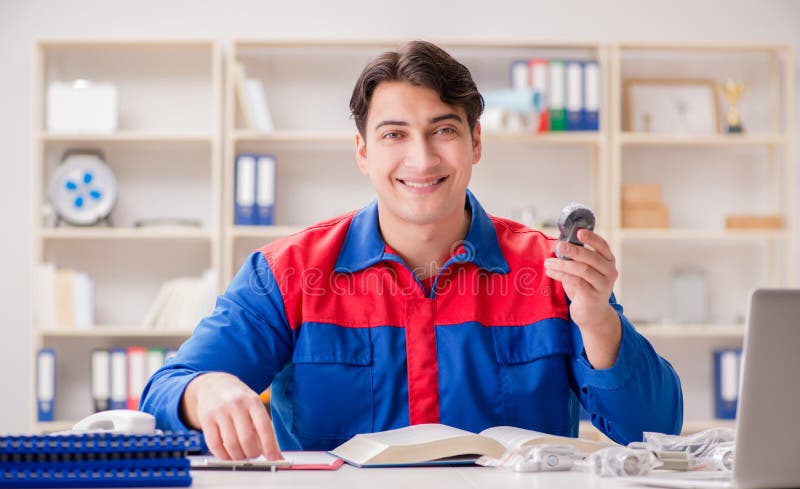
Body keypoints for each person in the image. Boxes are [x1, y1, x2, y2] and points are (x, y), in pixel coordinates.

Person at [140, 40, 683, 461]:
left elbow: (655, 428)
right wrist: (205, 391)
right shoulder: (285, 275)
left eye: (442, 130)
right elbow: (165, 391)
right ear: (363, 151)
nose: (421, 159)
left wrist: (597, 323)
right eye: (394, 135)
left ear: (475, 142)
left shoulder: (551, 273)